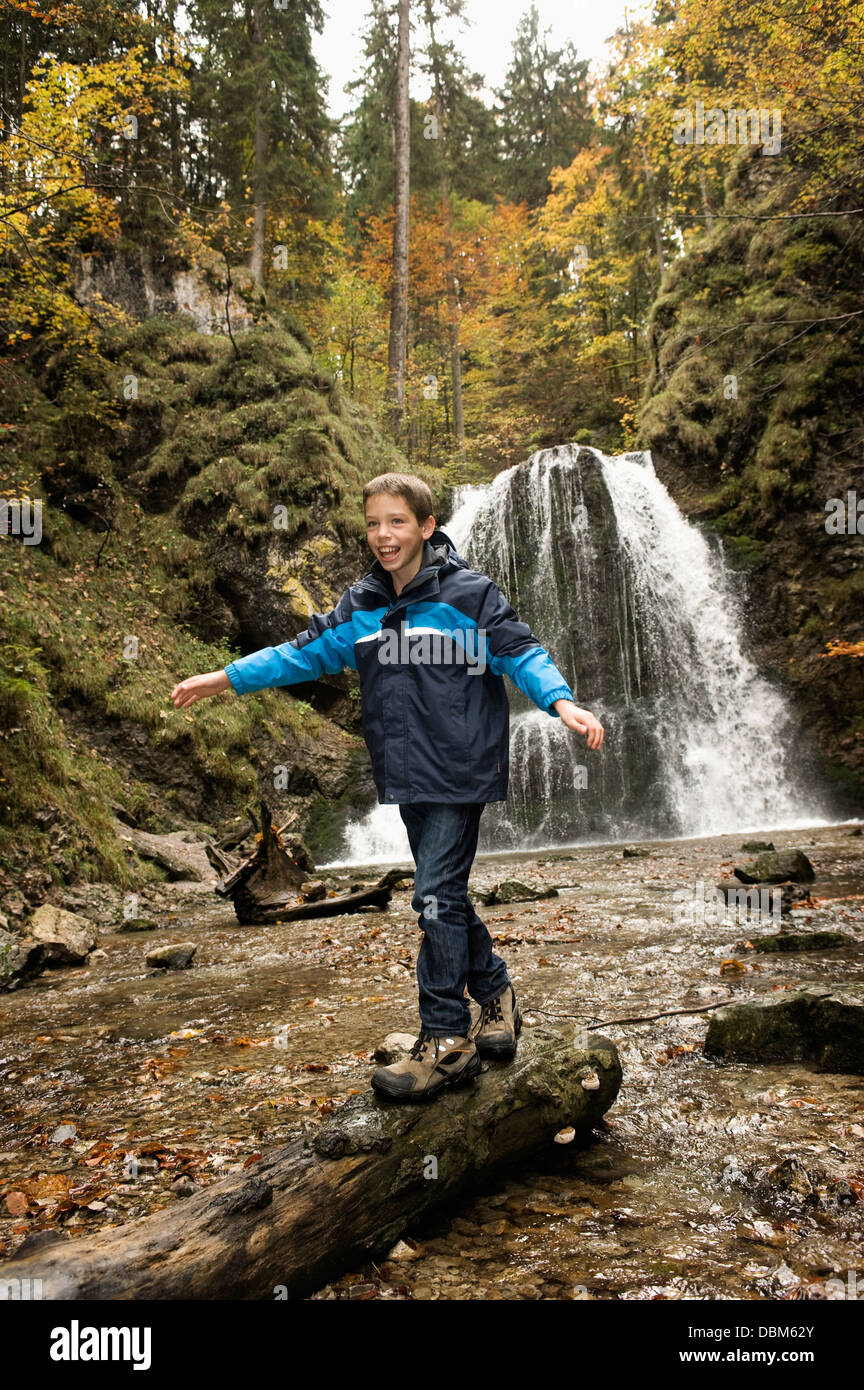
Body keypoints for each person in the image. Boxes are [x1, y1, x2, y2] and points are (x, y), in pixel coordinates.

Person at [171, 472, 604, 1102]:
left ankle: (444, 1041)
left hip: (459, 769)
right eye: (374, 523)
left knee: (431, 894)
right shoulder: (362, 607)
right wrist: (223, 679)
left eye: (397, 522)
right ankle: (497, 995)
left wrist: (562, 703)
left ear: (427, 527)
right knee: (444, 895)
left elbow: (520, 651)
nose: (383, 535)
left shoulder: (470, 595)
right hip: (406, 774)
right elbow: (301, 651)